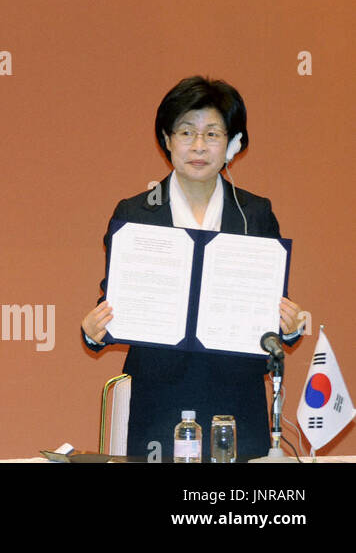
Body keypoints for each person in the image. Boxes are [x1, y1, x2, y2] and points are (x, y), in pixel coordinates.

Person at [81, 76, 303, 460]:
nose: (199, 146)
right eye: (186, 132)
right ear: (166, 140)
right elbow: (113, 303)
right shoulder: (135, 213)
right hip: (160, 397)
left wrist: (290, 326)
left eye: (213, 134)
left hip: (237, 397)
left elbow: (273, 310)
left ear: (233, 144)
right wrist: (93, 332)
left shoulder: (254, 213)